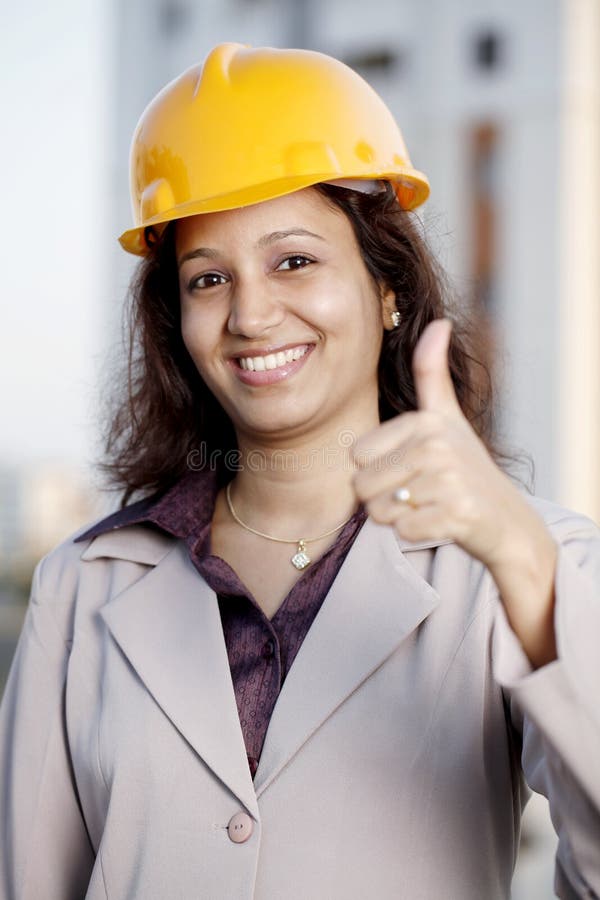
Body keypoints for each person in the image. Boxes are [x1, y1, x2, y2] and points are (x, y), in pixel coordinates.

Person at [0, 42, 598, 900]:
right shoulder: (82, 589)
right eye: (208, 279)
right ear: (177, 321)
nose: (249, 312)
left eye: (294, 260)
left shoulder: (530, 566)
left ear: (387, 287)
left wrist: (525, 565)